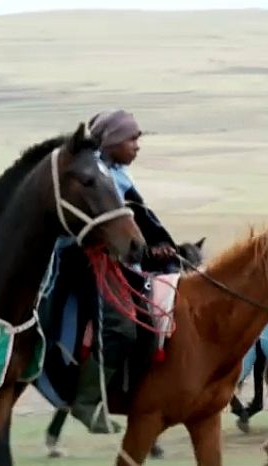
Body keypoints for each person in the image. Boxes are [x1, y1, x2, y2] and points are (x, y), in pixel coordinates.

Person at [65, 110, 177, 432]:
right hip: (94, 262)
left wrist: (160, 246)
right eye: (132, 138)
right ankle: (86, 402)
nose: (137, 146)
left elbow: (140, 220)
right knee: (121, 326)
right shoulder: (95, 176)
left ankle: (132, 395)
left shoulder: (120, 176)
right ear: (112, 140)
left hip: (125, 262)